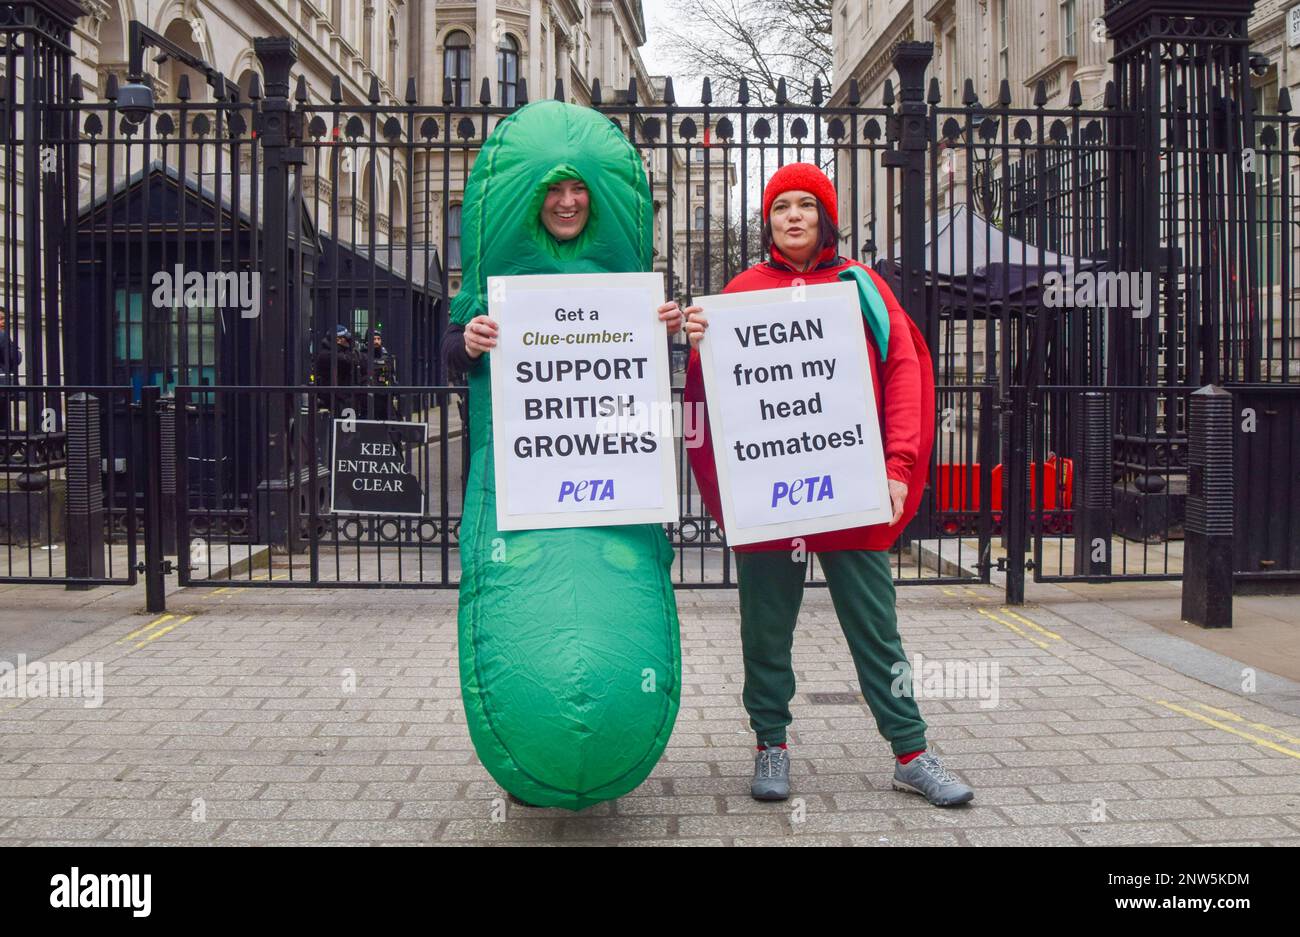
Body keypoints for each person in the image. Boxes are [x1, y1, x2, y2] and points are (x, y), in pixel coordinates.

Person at [673, 162, 975, 808]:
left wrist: (898, 466)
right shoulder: (741, 290)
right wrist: (698, 347)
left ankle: (912, 750)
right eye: (781, 207)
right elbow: (713, 400)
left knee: (876, 626)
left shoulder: (861, 285)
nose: (793, 217)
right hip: (773, 496)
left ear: (825, 216)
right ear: (767, 222)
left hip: (851, 486)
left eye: (806, 205)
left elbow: (904, 373)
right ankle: (770, 741)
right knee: (764, 625)